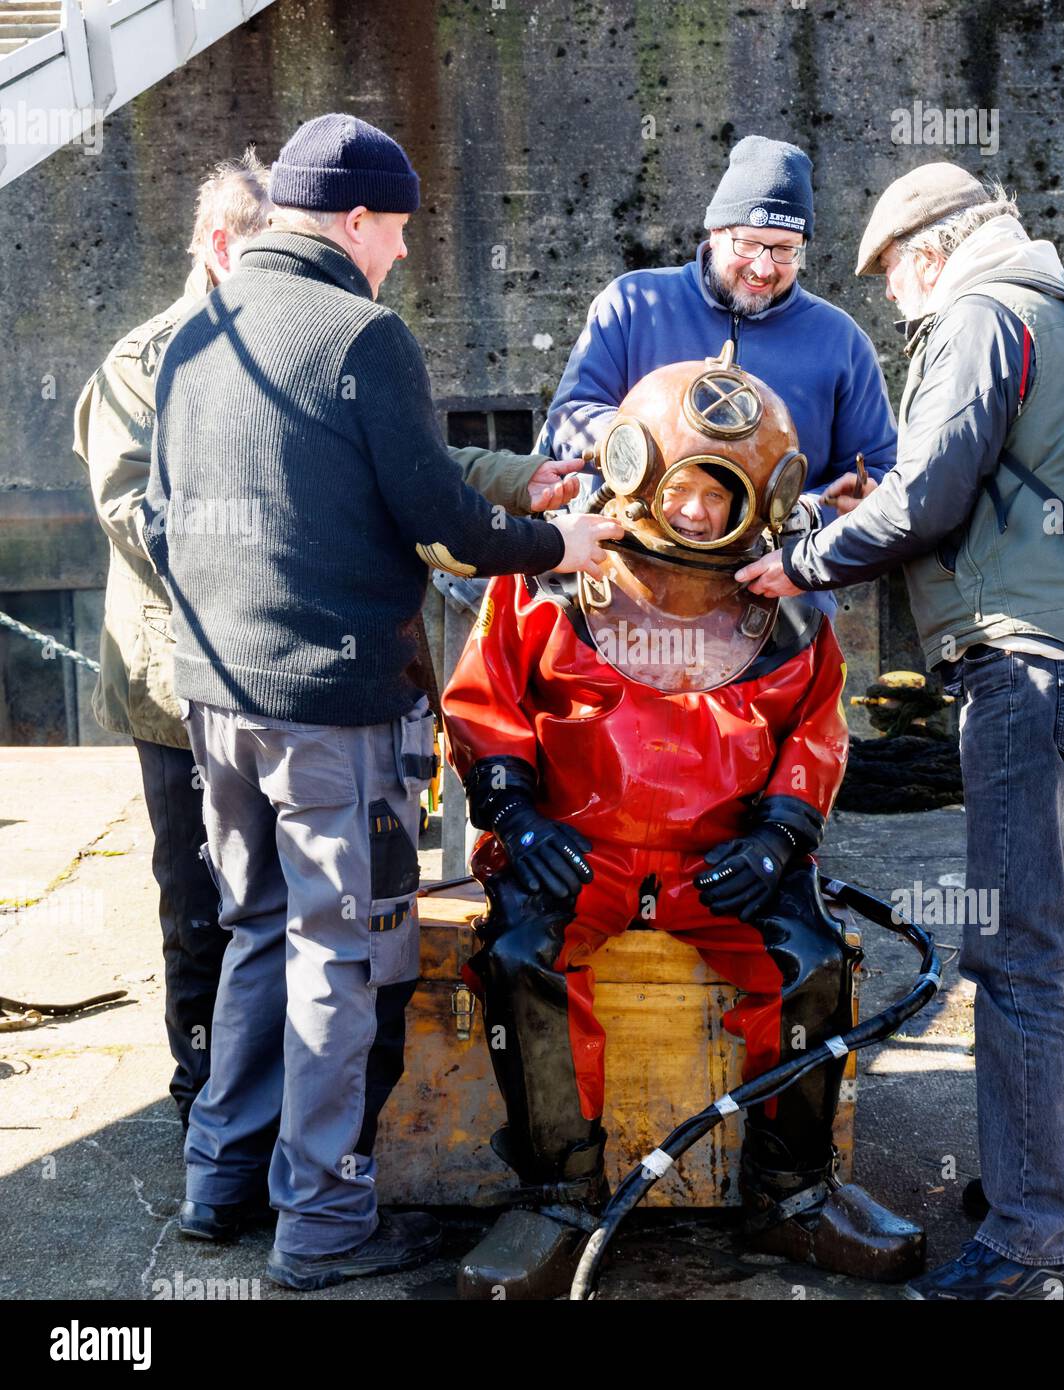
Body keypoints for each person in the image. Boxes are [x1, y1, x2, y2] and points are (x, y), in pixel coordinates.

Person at [141, 112, 621, 1291]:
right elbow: (444, 521)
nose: (402, 253)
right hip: (332, 707)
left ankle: (219, 1182)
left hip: (215, 699)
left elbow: (158, 520)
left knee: (254, 928)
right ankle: (321, 1226)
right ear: (354, 219)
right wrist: (566, 539)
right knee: (341, 960)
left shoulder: (193, 329)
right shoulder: (363, 335)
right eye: (397, 230)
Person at [737, 163, 1064, 1299]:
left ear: (927, 253)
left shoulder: (975, 314)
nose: (899, 305)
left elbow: (929, 499)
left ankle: (1027, 1243)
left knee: (1010, 952)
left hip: (1023, 663)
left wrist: (803, 559)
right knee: (1053, 933)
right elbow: (979, 478)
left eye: (893, 284)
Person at [441, 343, 925, 1299]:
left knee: (815, 962)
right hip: (583, 848)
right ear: (637, 471)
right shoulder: (552, 576)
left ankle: (793, 1194)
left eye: (723, 495)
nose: (700, 513)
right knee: (515, 958)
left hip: (724, 856)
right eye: (688, 488)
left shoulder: (784, 607)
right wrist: (517, 816)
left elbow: (816, 735)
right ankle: (556, 1196)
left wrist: (781, 837)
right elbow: (484, 700)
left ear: (766, 497)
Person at [73, 150, 272, 1131]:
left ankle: (266, 1090)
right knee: (197, 899)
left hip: (277, 681)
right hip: (176, 686)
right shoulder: (140, 365)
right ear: (225, 246)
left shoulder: (283, 342)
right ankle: (199, 1093)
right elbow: (132, 511)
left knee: (277, 905)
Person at [540, 134, 898, 527]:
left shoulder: (841, 341)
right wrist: (656, 445)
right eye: (748, 244)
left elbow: (878, 471)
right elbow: (569, 420)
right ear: (715, 233)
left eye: (785, 250)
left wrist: (807, 514)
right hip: (627, 564)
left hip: (783, 574)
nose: (763, 269)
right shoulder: (633, 303)